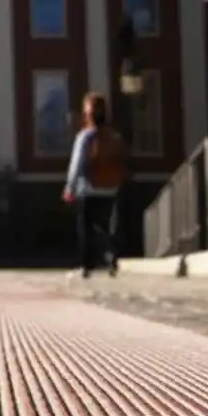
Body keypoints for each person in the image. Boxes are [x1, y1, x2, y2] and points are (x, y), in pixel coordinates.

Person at [63, 92, 127, 278]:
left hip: (88, 187)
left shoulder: (85, 136)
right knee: (104, 225)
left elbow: (77, 163)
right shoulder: (114, 136)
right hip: (110, 187)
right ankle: (110, 256)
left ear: (87, 114)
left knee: (86, 227)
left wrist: (69, 187)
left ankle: (86, 265)